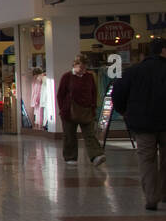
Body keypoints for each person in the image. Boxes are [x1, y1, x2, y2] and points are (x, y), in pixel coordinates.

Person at [112, 38, 166, 209]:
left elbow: (117, 94)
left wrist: (125, 112)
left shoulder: (133, 71)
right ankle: (165, 194)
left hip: (142, 125)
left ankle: (151, 197)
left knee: (146, 160)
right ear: (163, 51)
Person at [56, 54, 105, 166]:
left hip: (86, 110)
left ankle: (96, 155)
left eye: (85, 68)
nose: (82, 71)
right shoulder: (67, 77)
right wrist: (63, 109)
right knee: (69, 135)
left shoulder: (89, 77)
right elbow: (60, 95)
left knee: (89, 134)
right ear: (75, 65)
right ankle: (70, 157)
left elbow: (93, 92)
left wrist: (93, 107)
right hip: (69, 111)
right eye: (81, 68)